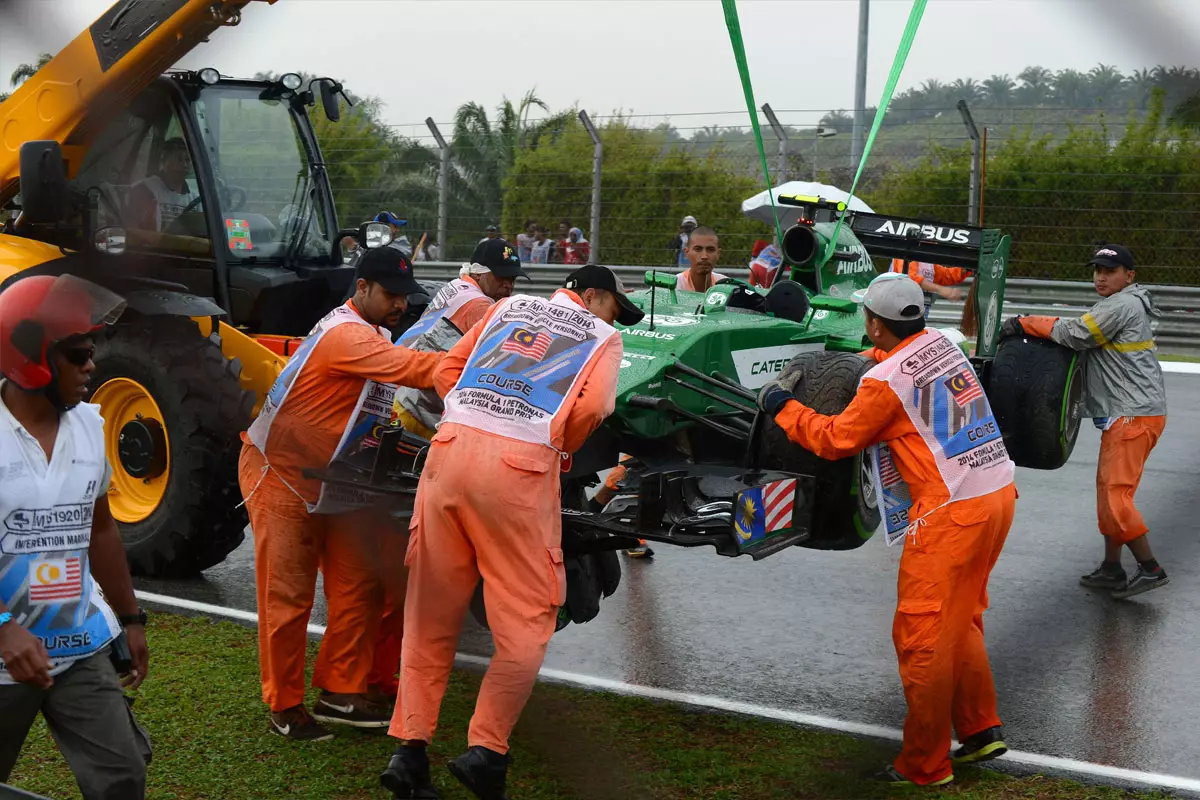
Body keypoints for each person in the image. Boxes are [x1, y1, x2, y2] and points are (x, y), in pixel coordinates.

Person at [381, 265, 645, 799]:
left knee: (430, 613)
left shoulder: (504, 307)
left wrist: (476, 417)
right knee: (527, 623)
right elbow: (595, 406)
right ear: (593, 296)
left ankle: (409, 753)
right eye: (617, 306)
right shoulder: (602, 336)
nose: (618, 318)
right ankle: (486, 752)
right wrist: (556, 447)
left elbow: (446, 370)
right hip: (518, 475)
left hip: (448, 456)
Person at [757, 272, 1017, 787]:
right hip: (998, 494)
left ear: (875, 325)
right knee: (961, 618)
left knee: (921, 637)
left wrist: (781, 406)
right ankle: (980, 729)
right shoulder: (941, 342)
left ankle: (925, 766)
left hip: (950, 513)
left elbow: (836, 439)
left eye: (867, 318)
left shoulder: (884, 382)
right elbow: (899, 368)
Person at [238, 247, 443, 741]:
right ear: (362, 289)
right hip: (282, 473)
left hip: (338, 477)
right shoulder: (345, 334)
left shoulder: (372, 331)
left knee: (361, 584)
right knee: (287, 594)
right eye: (390, 295)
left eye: (404, 297)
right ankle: (284, 705)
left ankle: (341, 692)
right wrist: (484, 365)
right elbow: (415, 369)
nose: (399, 305)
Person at [0, 275, 152, 799]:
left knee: (122, 778)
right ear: (31, 358)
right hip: (3, 653)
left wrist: (129, 618)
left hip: (76, 644)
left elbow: (101, 526)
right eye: (79, 353)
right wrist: (2, 627)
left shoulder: (90, 424)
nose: (92, 366)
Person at [1000, 244, 1168, 598]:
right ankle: (1112, 568)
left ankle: (1150, 568)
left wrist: (1023, 322)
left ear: (1129, 276)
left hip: (1133, 415)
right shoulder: (1118, 303)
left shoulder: (1123, 305)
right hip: (1130, 412)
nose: (1101, 277)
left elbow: (1077, 333)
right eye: (1097, 270)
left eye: (1110, 271)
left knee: (1115, 496)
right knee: (1109, 493)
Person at [390, 238, 529, 440]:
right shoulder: (481, 305)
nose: (508, 285)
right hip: (419, 411)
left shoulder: (457, 285)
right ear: (479, 273)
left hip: (401, 390)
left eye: (513, 278)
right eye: (501, 277)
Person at [127, 138, 194, 231]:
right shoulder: (145, 189)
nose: (185, 165)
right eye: (179, 159)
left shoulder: (196, 198)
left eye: (188, 160)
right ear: (164, 160)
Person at [890, 258, 968, 315]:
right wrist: (941, 290)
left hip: (919, 309)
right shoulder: (909, 249)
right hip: (899, 309)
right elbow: (910, 277)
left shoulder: (927, 259)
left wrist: (965, 270)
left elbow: (944, 275)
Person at [676, 226, 729, 292]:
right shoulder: (675, 286)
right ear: (687, 253)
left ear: (718, 254)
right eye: (698, 249)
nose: (704, 256)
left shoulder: (726, 287)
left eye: (710, 250)